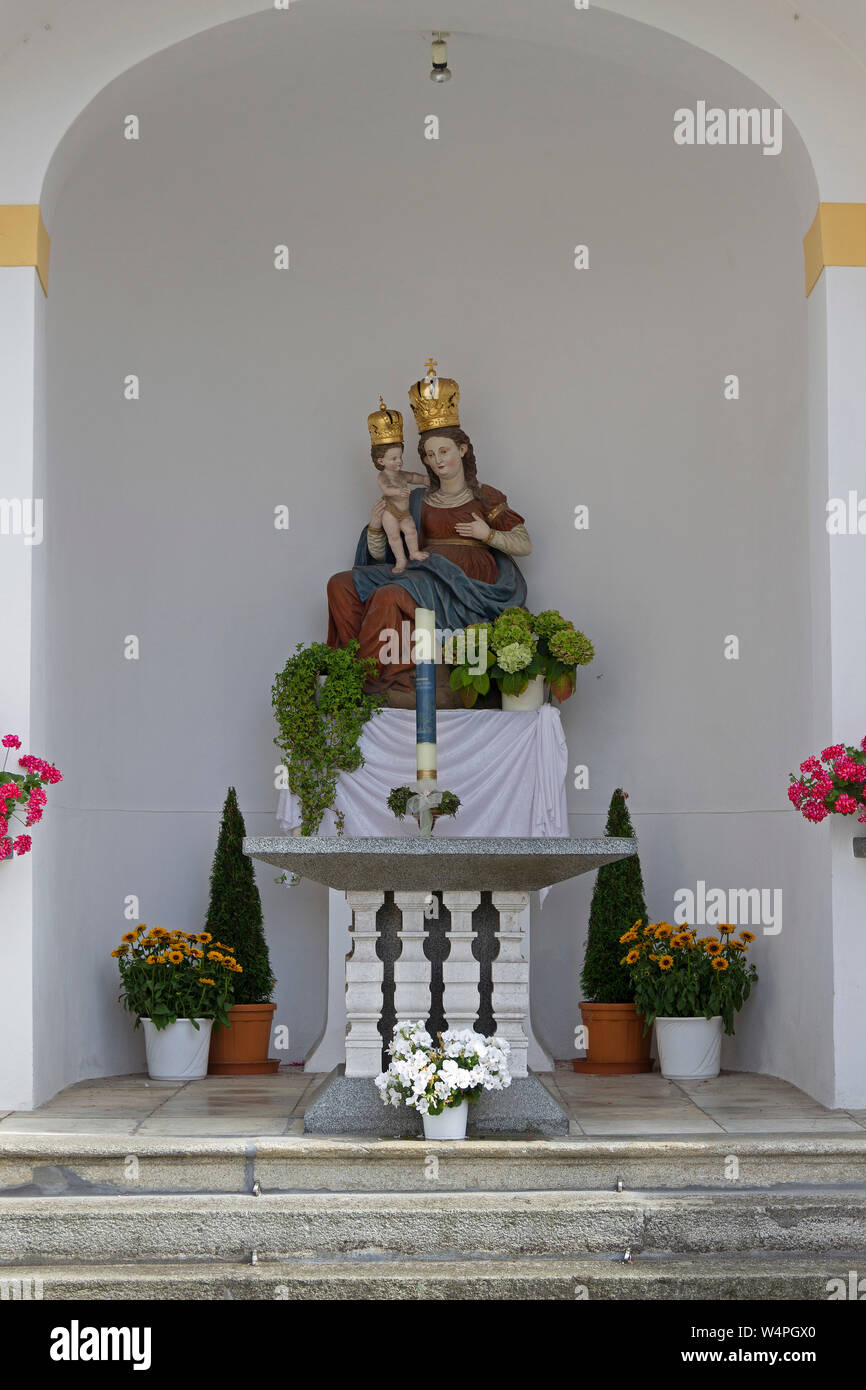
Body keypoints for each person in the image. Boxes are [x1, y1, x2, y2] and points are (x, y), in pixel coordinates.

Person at [327, 366, 532, 695]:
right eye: (429, 454)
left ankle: (369, 682)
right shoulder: (419, 497)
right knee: (341, 585)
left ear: (462, 450)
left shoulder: (484, 495)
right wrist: (377, 528)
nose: (437, 460)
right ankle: (351, 667)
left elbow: (524, 543)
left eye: (444, 451)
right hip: (422, 567)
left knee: (391, 595)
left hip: (462, 580)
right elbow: (385, 555)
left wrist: (488, 535)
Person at [367, 397, 429, 574]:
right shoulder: (383, 476)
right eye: (394, 459)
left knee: (410, 531)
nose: (399, 462)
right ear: (381, 461)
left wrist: (424, 479)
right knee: (394, 537)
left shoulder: (401, 474)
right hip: (390, 511)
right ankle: (400, 560)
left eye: (400, 457)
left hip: (404, 512)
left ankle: (414, 553)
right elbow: (386, 490)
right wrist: (398, 491)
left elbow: (413, 476)